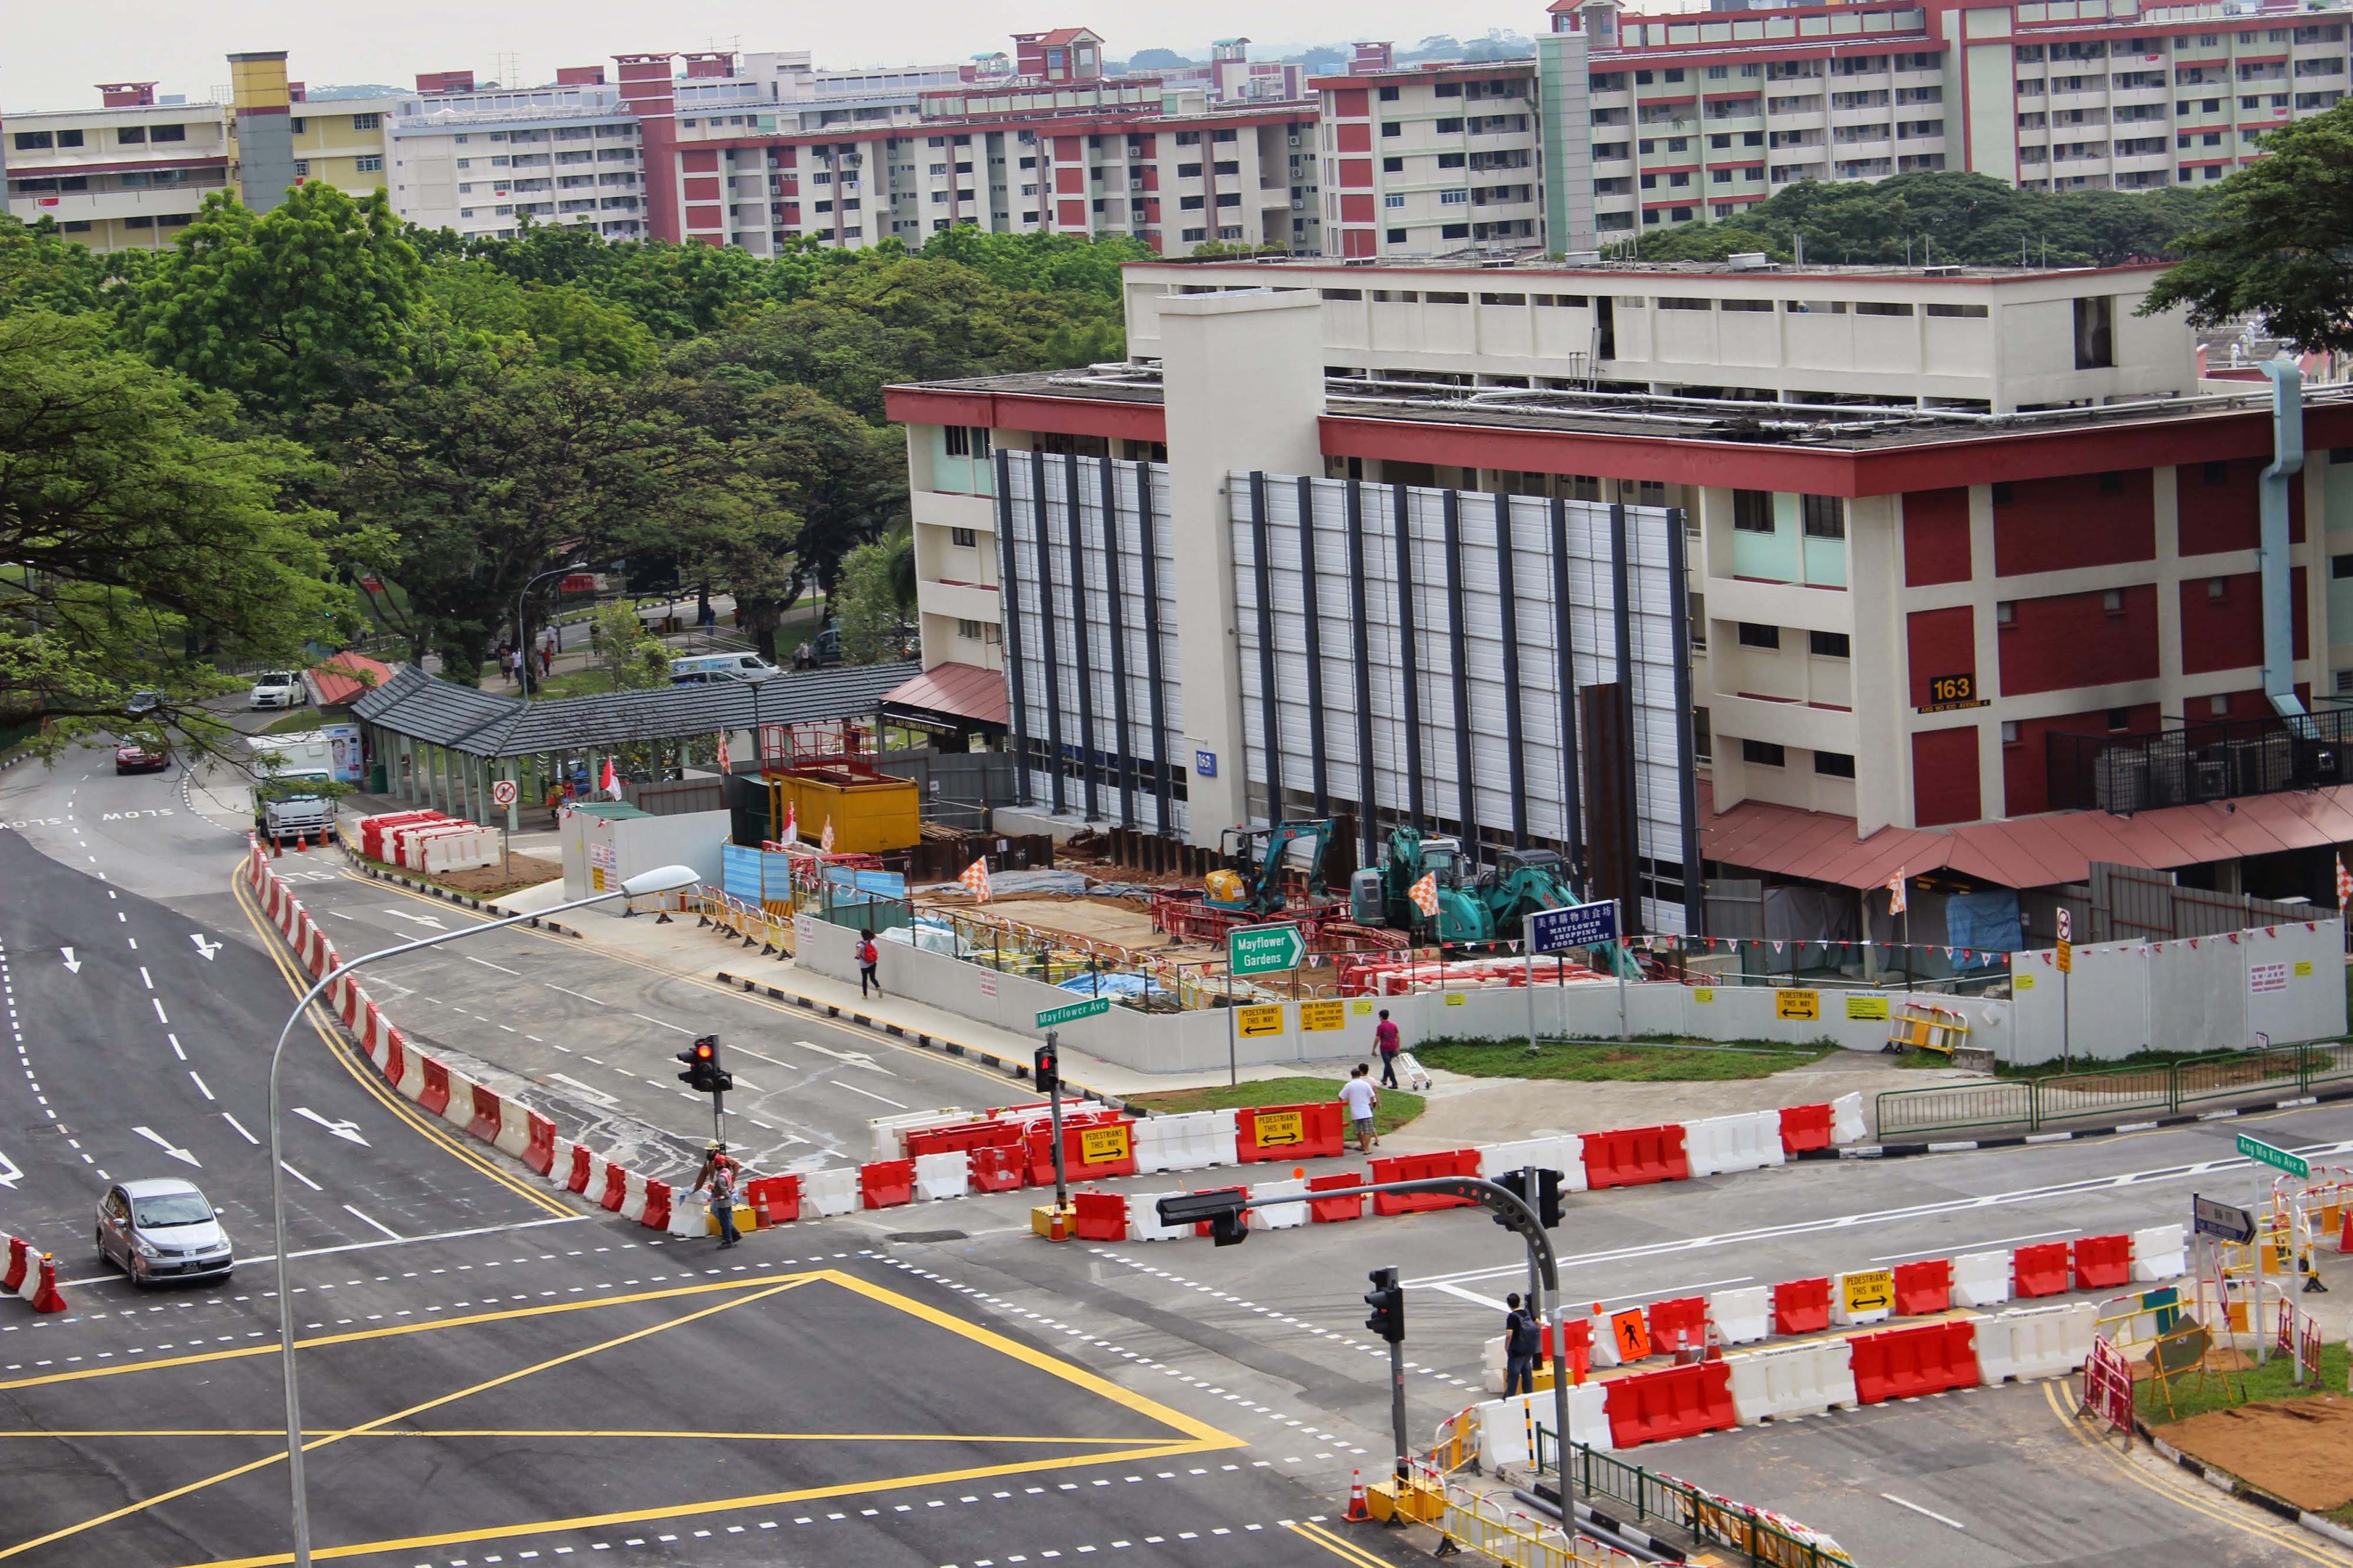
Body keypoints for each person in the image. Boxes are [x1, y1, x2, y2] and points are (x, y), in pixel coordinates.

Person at [1504, 1292, 1540, 1398]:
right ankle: (1528, 1395)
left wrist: (1507, 1347)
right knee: (1526, 1371)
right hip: (1529, 1348)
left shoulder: (1512, 1317)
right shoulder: (1527, 1313)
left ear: (1509, 1304)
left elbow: (1509, 1335)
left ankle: (1510, 1397)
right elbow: (1538, 1324)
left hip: (1517, 1350)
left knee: (1514, 1375)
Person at [1339, 1063, 1378, 1154]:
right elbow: (1372, 1096)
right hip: (1366, 1111)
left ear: (1352, 1075)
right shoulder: (1365, 1084)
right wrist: (1371, 1105)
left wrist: (1341, 1106)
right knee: (1367, 1131)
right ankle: (1367, 1149)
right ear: (1360, 1074)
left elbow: (1341, 1096)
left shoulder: (1349, 1085)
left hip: (1355, 1112)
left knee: (1358, 1131)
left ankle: (1362, 1145)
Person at [708, 1152, 741, 1249]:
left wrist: (722, 1194)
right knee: (726, 1220)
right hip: (727, 1200)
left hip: (723, 1202)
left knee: (725, 1221)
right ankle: (734, 1235)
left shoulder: (721, 1178)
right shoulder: (726, 1171)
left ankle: (729, 1240)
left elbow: (724, 1191)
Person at [1375, 1008, 1401, 1089]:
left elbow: (1377, 1039)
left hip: (1385, 1048)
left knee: (1388, 1065)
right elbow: (1398, 1037)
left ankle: (1394, 1083)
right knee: (1388, 1063)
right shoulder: (1394, 1025)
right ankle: (1384, 1079)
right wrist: (1398, 1048)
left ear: (1381, 1017)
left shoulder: (1380, 1027)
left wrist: (1373, 1049)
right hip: (1393, 1047)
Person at [857, 928, 881, 997]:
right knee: (873, 978)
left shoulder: (860, 945)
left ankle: (865, 995)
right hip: (873, 963)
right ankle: (878, 986)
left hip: (864, 965)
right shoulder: (872, 943)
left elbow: (858, 954)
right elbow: (876, 952)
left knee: (864, 980)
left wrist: (857, 957)